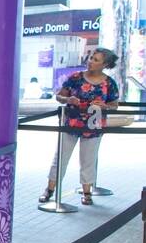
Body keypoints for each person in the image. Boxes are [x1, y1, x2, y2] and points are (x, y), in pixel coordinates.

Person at [40, 47, 120, 206]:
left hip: (94, 125)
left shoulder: (109, 83)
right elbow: (59, 96)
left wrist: (104, 105)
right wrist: (68, 100)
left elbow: (114, 104)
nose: (91, 61)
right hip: (71, 123)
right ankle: (49, 189)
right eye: (91, 57)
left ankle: (87, 192)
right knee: (61, 157)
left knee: (88, 160)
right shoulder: (75, 77)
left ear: (104, 64)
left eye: (96, 60)